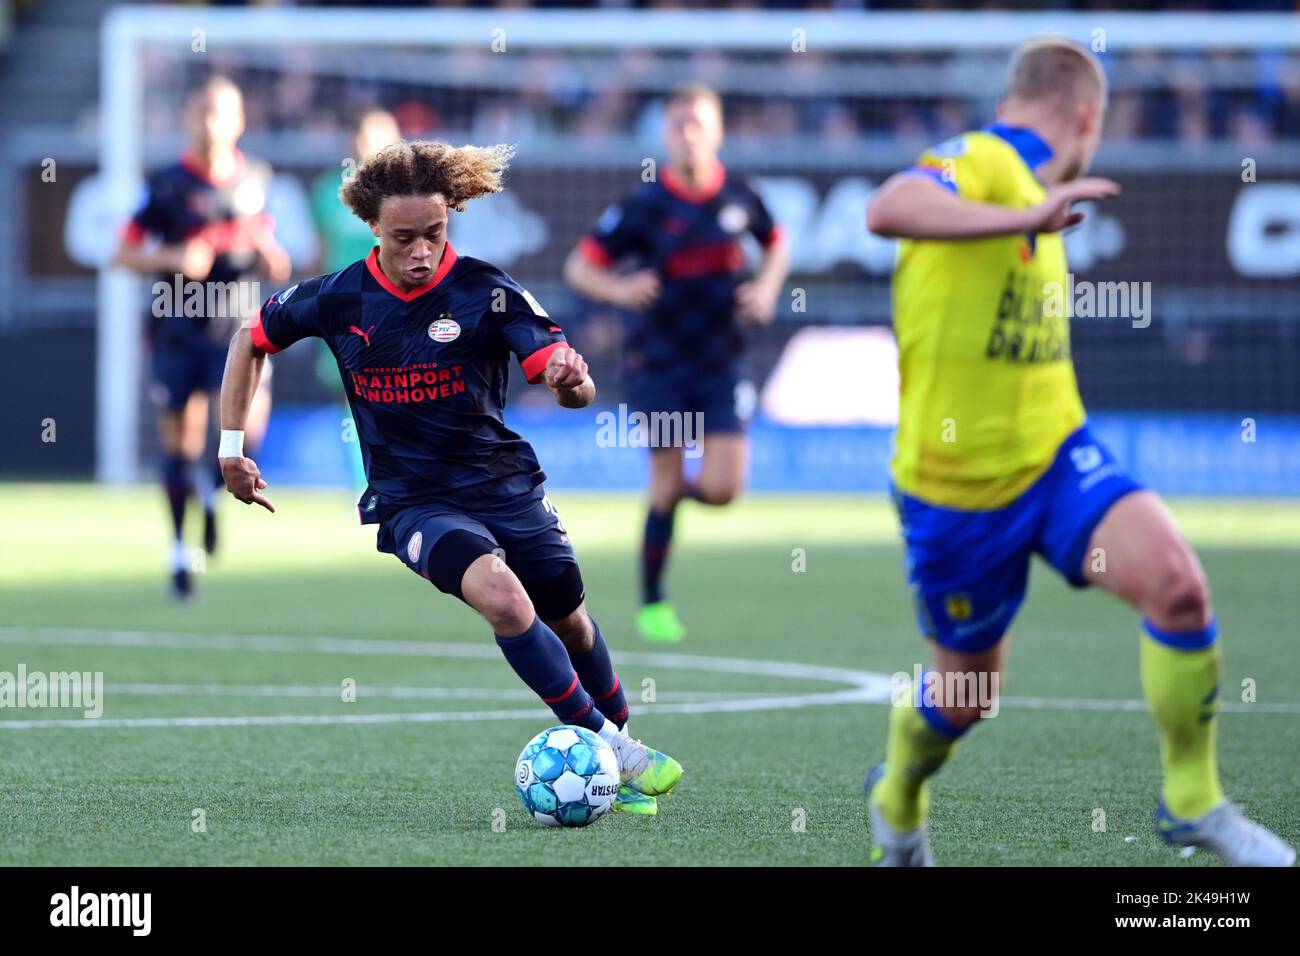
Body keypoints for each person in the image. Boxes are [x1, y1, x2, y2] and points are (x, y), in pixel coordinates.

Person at [863, 37, 1294, 867]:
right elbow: (888, 208)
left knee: (1178, 586)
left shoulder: (1047, 197)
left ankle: (1194, 801)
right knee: (966, 697)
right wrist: (1024, 215)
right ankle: (899, 793)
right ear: (1087, 117)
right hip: (955, 491)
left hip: (1059, 458)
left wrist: (1035, 215)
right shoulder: (985, 160)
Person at [218, 140, 682, 814]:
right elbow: (248, 339)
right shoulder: (338, 297)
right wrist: (232, 446)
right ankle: (614, 745)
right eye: (404, 237)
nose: (422, 251)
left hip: (503, 486)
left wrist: (570, 380)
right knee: (502, 597)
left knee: (572, 623)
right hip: (413, 503)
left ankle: (617, 747)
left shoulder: (486, 293)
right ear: (371, 228)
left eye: (434, 233)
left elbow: (561, 376)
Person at [564, 85, 789, 643]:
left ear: (718, 132)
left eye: (699, 123)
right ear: (666, 134)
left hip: (720, 363)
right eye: (679, 124)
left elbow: (778, 244)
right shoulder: (644, 204)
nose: (689, 133)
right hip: (658, 363)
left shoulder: (741, 196)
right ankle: (654, 603)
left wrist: (765, 288)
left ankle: (664, 507)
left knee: (723, 489)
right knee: (666, 483)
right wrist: (620, 290)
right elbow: (580, 268)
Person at [113, 76, 291, 599]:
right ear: (189, 119)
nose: (211, 122)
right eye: (202, 112)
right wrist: (173, 258)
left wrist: (271, 251)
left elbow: (269, 244)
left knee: (247, 427)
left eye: (221, 112)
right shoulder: (167, 183)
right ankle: (176, 552)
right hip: (177, 327)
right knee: (181, 442)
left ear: (239, 120)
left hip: (237, 331)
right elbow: (121, 253)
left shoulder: (255, 178)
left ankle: (213, 496)